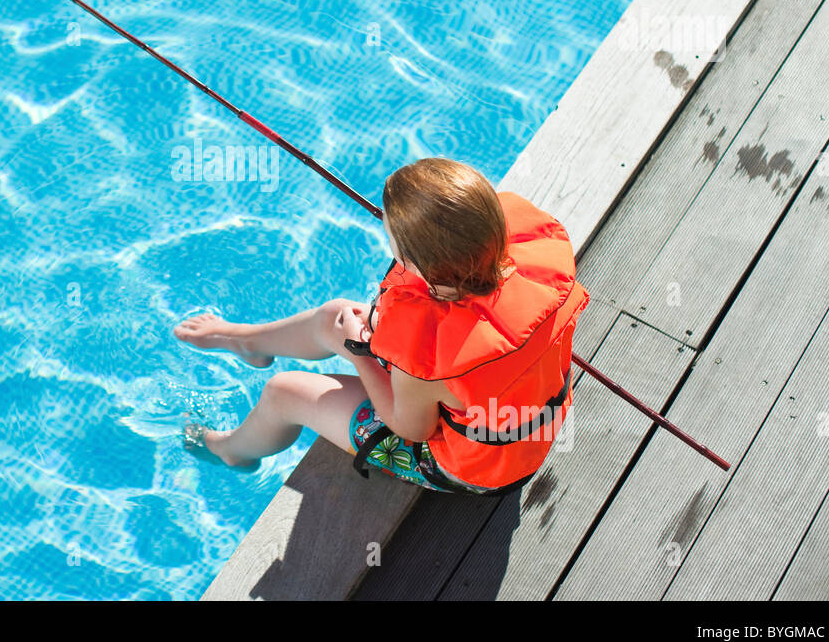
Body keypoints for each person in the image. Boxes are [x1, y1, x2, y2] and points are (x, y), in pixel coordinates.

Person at [176, 156, 589, 494]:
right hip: (512, 420)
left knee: (285, 392)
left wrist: (362, 357)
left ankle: (231, 449)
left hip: (474, 467)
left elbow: (411, 426)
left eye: (391, 237)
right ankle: (247, 341)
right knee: (335, 316)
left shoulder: (431, 362)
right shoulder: (521, 275)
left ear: (416, 264)